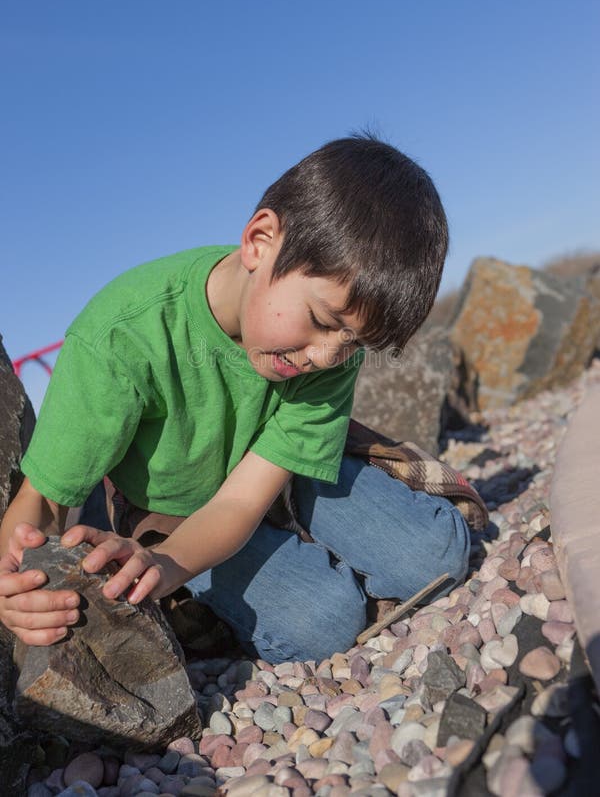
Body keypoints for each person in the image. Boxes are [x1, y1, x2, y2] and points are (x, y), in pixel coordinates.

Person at [0, 135, 470, 664]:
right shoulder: (121, 338)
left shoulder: (329, 346)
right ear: (259, 242)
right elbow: (40, 504)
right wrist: (24, 586)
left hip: (280, 476)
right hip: (181, 515)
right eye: (321, 321)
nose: (326, 356)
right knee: (326, 622)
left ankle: (306, 540)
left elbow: (247, 497)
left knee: (439, 555)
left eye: (353, 343)